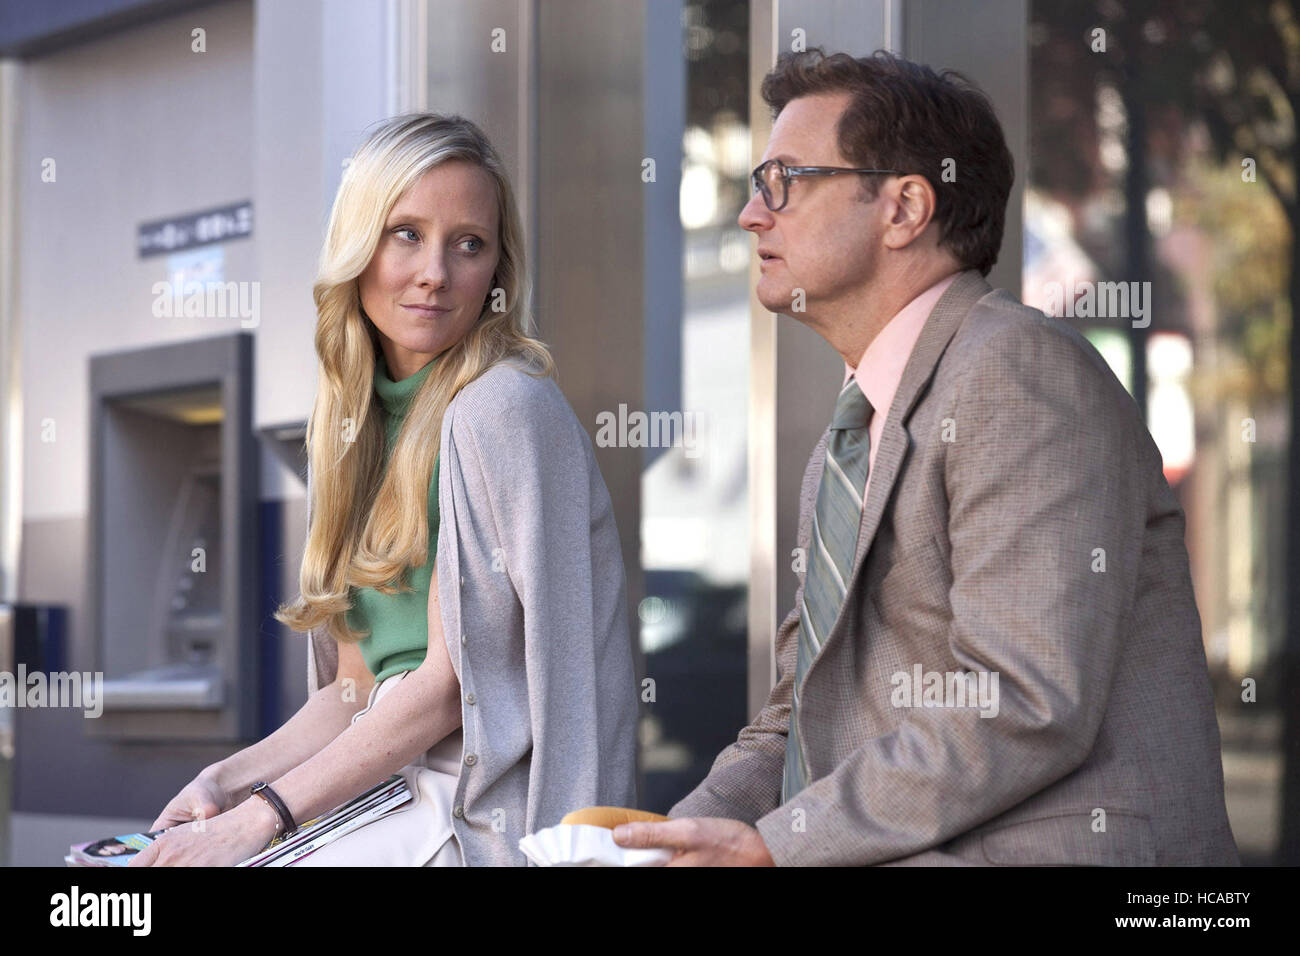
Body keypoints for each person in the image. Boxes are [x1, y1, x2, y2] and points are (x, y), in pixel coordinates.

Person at [614, 48, 1239, 866]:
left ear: (905, 207)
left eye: (783, 183)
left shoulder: (1016, 374)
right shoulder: (857, 429)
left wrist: (776, 846)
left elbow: (1020, 698)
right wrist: (660, 845)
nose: (752, 215)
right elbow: (794, 715)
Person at [132, 113, 638, 867]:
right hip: (380, 783)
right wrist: (226, 782)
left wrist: (261, 818)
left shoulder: (500, 406)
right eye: (406, 233)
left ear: (498, 269)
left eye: (469, 244)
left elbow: (443, 688)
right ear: (358, 244)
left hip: (474, 805)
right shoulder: (351, 425)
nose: (435, 271)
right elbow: (352, 695)